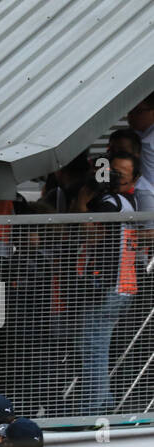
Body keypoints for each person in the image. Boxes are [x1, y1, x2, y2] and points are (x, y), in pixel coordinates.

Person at [78, 163, 139, 416]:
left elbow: (89, 231)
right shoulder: (129, 202)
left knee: (92, 347)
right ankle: (103, 401)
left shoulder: (109, 203)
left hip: (108, 286)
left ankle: (93, 409)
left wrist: (83, 199)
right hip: (124, 285)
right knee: (98, 346)